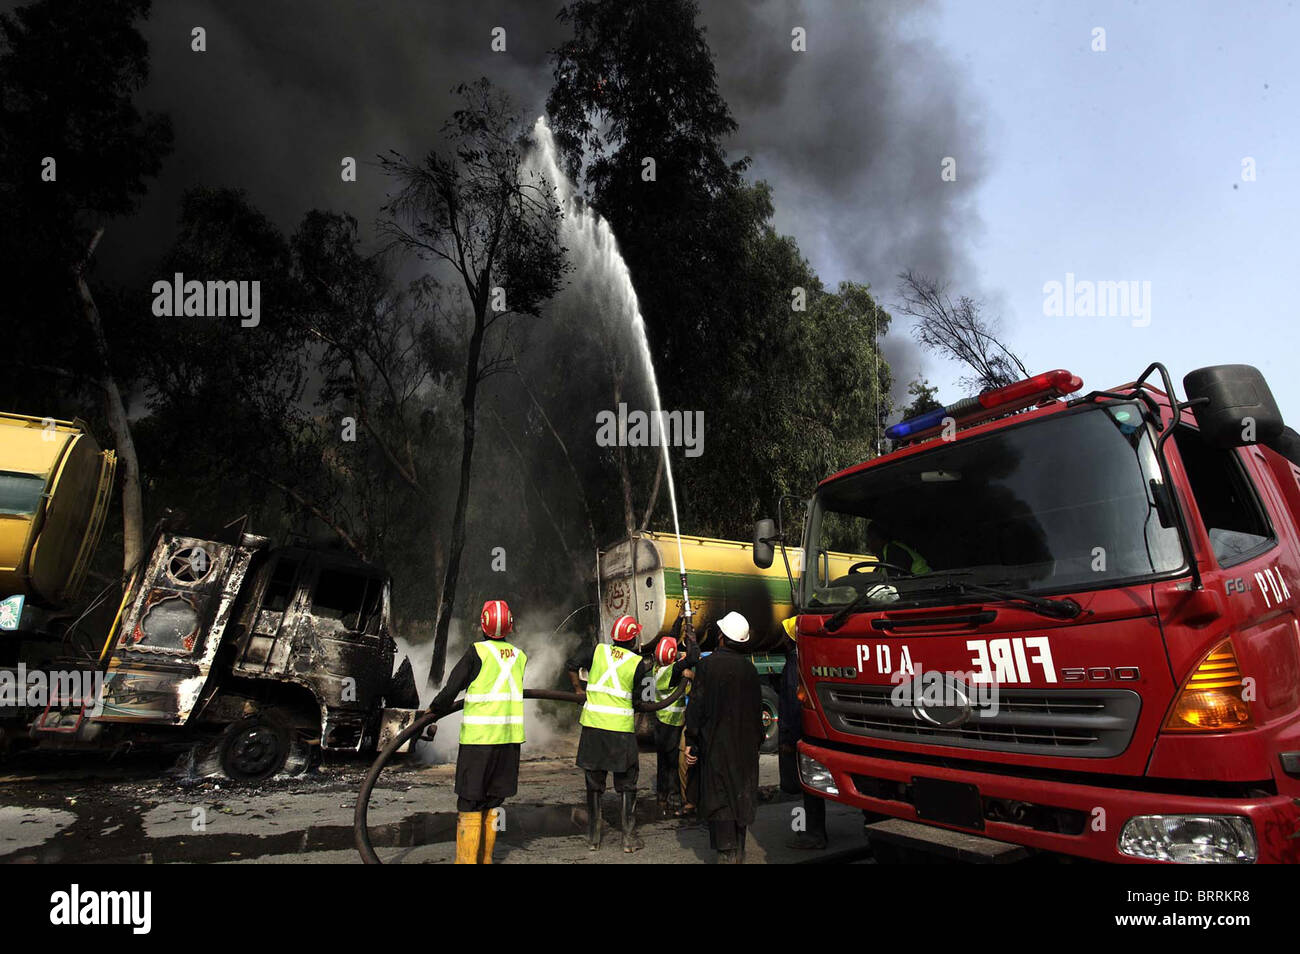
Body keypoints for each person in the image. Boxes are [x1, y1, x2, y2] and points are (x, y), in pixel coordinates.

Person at [429, 599, 527, 864]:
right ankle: (485, 860)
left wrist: (434, 709)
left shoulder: (476, 652)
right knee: (493, 802)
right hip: (508, 744)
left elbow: (452, 690)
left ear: (482, 625)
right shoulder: (520, 656)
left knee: (470, 801)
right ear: (510, 627)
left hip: (479, 743)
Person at [684, 610, 763, 863]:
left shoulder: (707, 667)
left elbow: (696, 708)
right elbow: (756, 712)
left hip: (716, 748)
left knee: (720, 801)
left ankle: (727, 853)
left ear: (721, 637)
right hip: (746, 751)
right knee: (741, 798)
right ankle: (737, 852)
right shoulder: (750, 670)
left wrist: (692, 742)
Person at [567, 614, 650, 852]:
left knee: (594, 784)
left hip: (593, 728)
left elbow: (572, 665)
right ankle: (628, 839)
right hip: (620, 733)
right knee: (626, 784)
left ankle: (593, 839)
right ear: (633, 639)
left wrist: (577, 689)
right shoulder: (636, 664)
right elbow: (636, 698)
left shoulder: (598, 651)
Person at [778, 614, 828, 850]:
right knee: (813, 782)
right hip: (812, 730)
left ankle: (813, 834)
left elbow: (791, 703)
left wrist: (788, 738)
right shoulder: (807, 658)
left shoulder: (792, 664)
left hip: (800, 733)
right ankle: (813, 830)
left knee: (807, 785)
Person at [651, 631, 698, 814]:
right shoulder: (672, 671)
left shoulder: (658, 666)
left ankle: (662, 798)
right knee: (673, 764)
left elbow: (670, 644)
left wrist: (679, 622)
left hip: (660, 723)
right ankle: (674, 797)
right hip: (673, 724)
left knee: (662, 762)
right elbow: (692, 659)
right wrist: (691, 639)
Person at [864, 519, 931, 576]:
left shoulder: (894, 551)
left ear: (879, 539)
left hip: (926, 585)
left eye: (870, 538)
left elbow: (895, 582)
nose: (867, 543)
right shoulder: (884, 559)